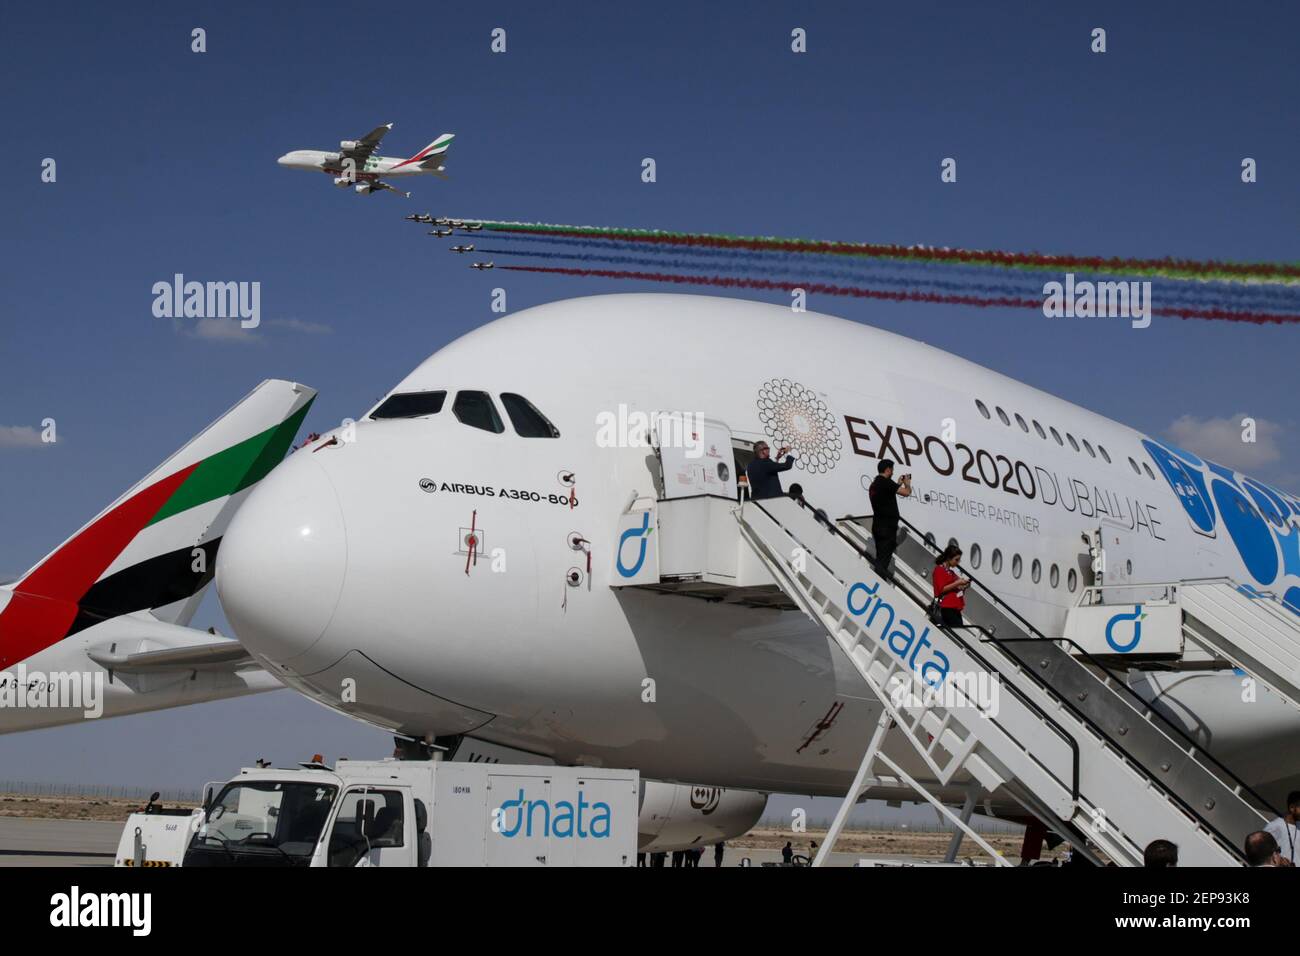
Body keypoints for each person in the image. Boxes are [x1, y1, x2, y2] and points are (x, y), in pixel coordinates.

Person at [868, 459, 912, 578]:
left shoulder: (875, 484)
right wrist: (907, 483)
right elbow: (906, 492)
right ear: (887, 469)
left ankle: (876, 580)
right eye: (892, 470)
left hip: (878, 526)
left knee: (881, 557)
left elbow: (886, 495)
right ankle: (877, 583)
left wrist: (897, 484)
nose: (893, 473)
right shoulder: (885, 482)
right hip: (886, 528)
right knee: (883, 562)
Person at [932, 544, 971, 628]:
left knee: (959, 630)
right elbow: (941, 589)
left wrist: (963, 587)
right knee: (957, 631)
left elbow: (955, 589)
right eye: (956, 560)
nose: (958, 562)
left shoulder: (951, 573)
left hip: (954, 607)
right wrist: (958, 582)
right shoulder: (939, 570)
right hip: (946, 607)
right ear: (949, 558)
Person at [1264, 790, 1300, 864]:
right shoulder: (1276, 826)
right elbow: (1261, 850)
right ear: (1292, 808)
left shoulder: (1298, 832)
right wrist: (1279, 861)